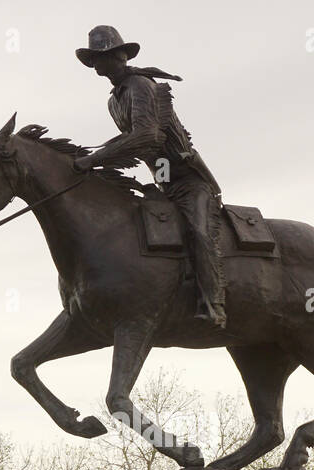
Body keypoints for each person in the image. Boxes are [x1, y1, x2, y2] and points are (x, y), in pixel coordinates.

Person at [74, 25, 227, 328]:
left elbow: (147, 136)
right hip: (164, 185)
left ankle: (214, 304)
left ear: (120, 55)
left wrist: (94, 160)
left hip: (190, 181)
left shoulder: (139, 86)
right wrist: (91, 157)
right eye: (95, 58)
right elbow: (131, 138)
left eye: (103, 56)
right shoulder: (114, 100)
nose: (99, 63)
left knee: (197, 230)